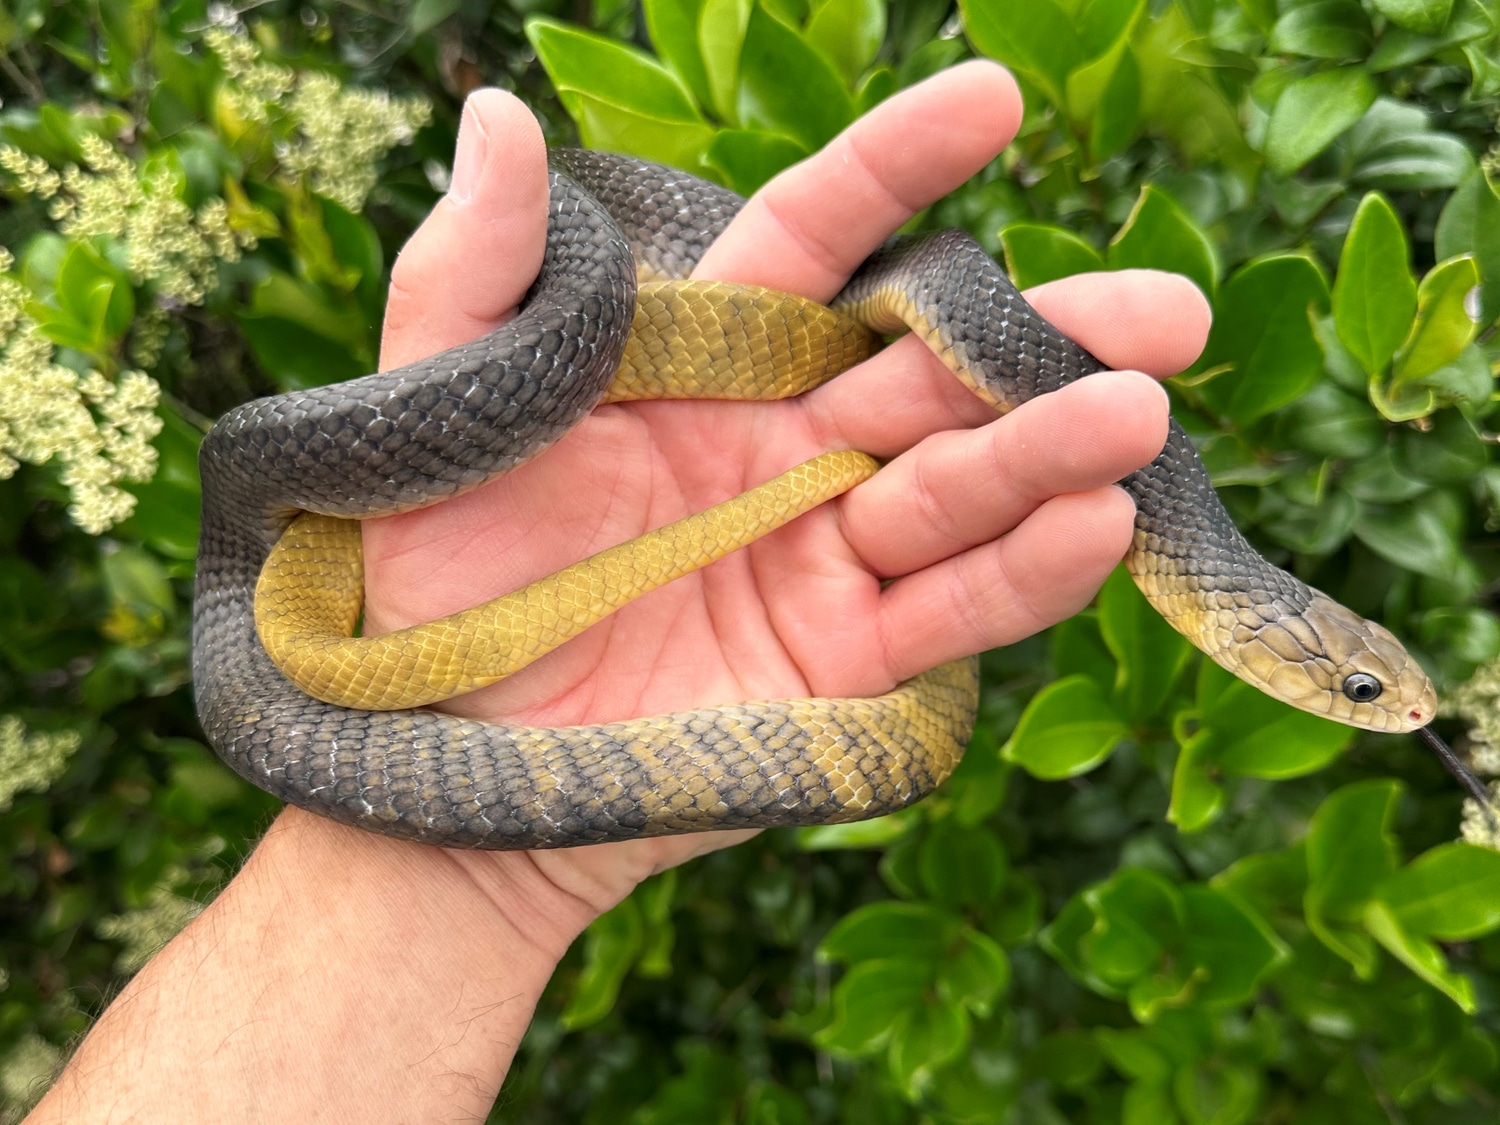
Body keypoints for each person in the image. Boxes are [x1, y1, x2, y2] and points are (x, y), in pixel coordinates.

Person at [26, 61, 1207, 1122]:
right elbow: (254, 476)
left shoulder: (989, 376)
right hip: (362, 515)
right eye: (1355, 688)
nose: (1386, 707)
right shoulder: (582, 259)